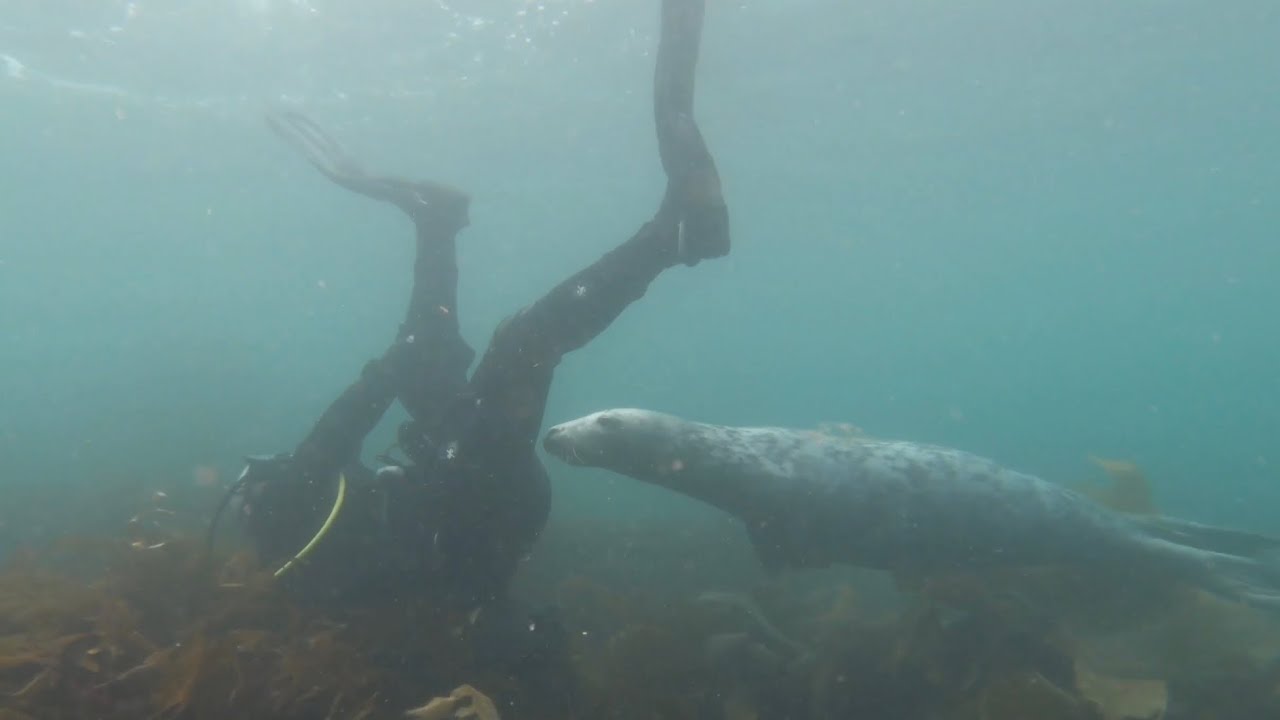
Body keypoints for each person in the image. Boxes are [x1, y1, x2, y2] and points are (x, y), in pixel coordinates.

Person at [227, 0, 728, 657]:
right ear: (261, 510)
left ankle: (436, 224)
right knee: (521, 344)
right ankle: (669, 239)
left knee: (430, 357)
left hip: (475, 518)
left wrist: (408, 366)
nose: (258, 485)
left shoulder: (311, 557)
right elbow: (340, 429)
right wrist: (387, 371)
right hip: (480, 501)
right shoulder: (293, 504)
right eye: (250, 493)